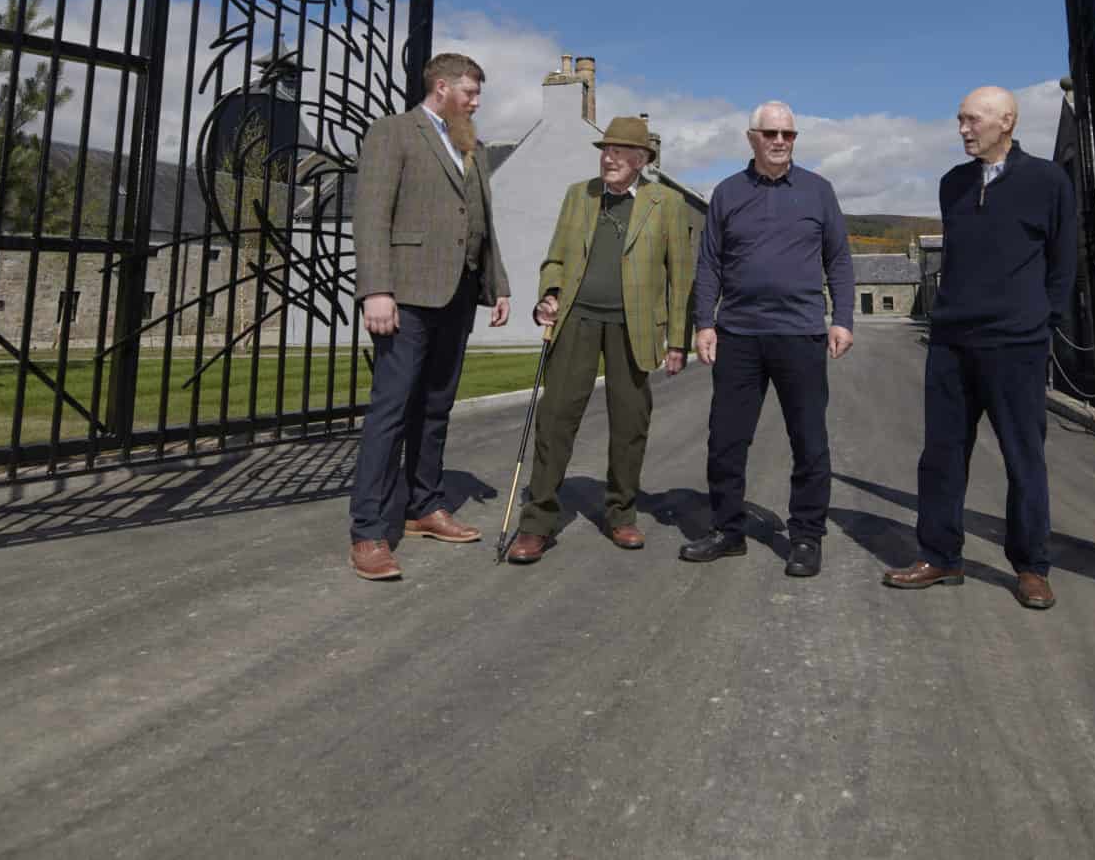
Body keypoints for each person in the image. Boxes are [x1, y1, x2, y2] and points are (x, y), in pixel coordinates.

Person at [883, 85, 1075, 610]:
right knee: (941, 457)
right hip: (951, 343)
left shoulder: (1047, 181)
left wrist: (1041, 322)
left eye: (974, 120)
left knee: (1023, 460)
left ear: (1007, 121)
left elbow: (1063, 264)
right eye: (960, 120)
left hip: (1016, 344)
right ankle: (940, 555)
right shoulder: (953, 184)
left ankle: (1032, 567)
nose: (964, 129)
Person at [347, 52, 511, 580]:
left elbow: (481, 220)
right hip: (407, 296)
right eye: (470, 92)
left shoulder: (470, 146)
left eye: (479, 94)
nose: (477, 102)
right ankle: (369, 531)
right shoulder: (393, 132)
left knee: (436, 410)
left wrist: (497, 285)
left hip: (457, 296)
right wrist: (376, 289)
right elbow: (371, 213)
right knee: (391, 411)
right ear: (441, 87)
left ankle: (424, 507)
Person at [503, 116, 693, 564]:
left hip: (636, 326)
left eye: (621, 150)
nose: (609, 157)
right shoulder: (579, 195)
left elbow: (682, 278)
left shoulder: (665, 202)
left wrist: (679, 340)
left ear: (642, 159)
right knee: (554, 421)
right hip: (577, 321)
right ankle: (536, 523)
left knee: (630, 424)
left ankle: (621, 514)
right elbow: (555, 259)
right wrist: (549, 294)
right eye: (606, 149)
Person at [683, 100, 854, 578]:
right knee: (726, 440)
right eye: (772, 134)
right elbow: (710, 264)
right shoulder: (727, 192)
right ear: (752, 137)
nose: (781, 142)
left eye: (789, 135)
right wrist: (704, 323)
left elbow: (838, 260)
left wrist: (842, 318)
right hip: (739, 335)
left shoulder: (820, 192)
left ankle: (805, 536)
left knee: (810, 441)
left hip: (800, 334)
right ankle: (728, 530)